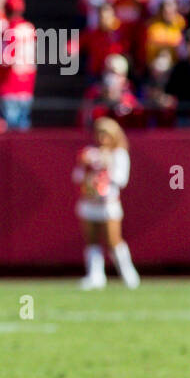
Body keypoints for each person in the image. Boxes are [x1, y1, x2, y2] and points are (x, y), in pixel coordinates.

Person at [74, 117, 139, 290]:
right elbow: (78, 177)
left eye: (106, 134)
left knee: (113, 240)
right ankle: (95, 276)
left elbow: (121, 179)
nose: (102, 138)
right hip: (89, 201)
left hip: (108, 203)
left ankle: (128, 275)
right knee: (91, 240)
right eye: (99, 134)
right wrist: (86, 166)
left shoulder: (119, 154)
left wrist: (106, 167)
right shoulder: (89, 152)